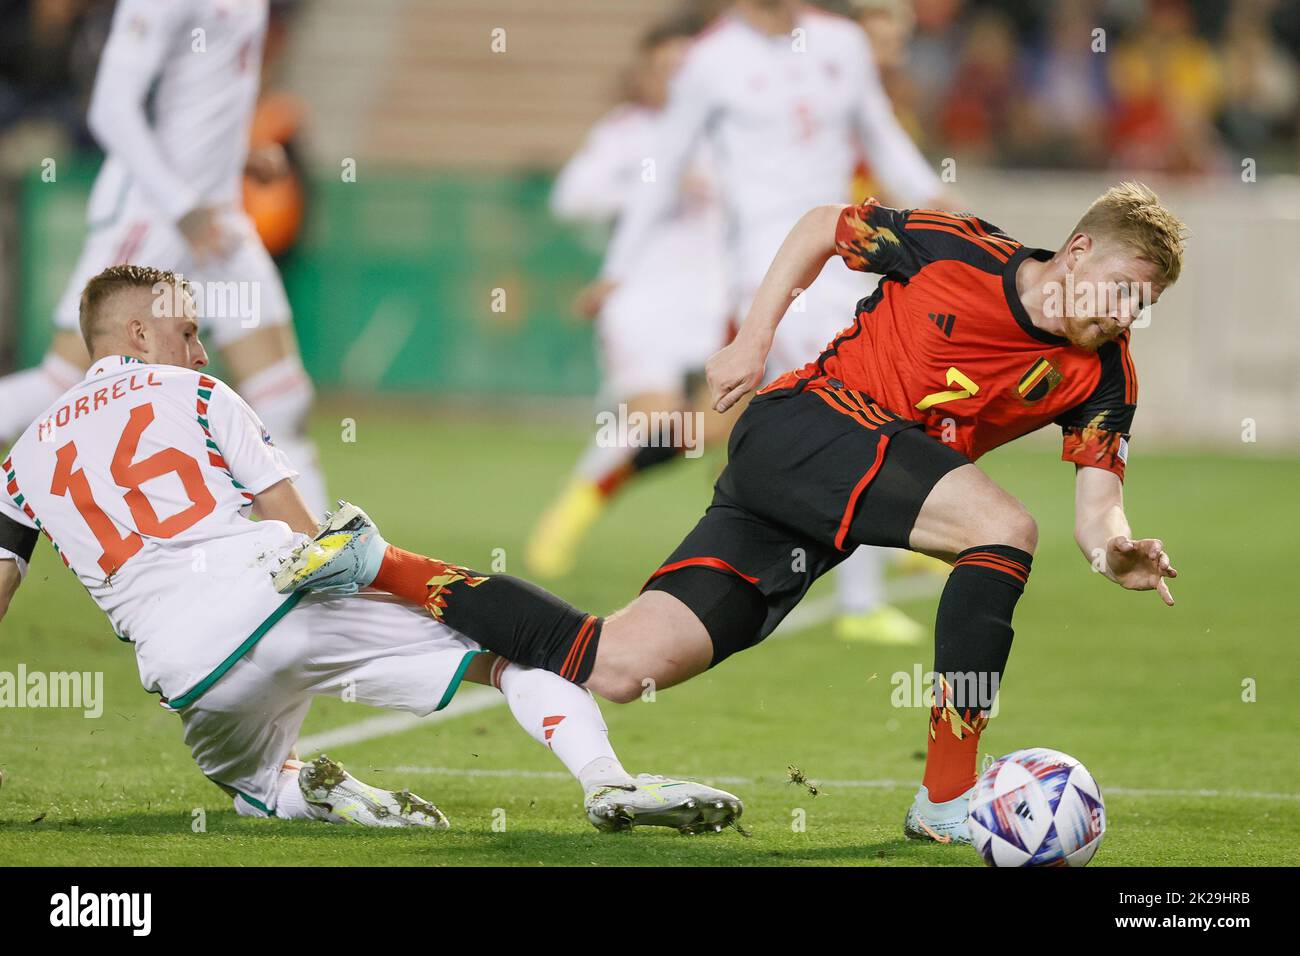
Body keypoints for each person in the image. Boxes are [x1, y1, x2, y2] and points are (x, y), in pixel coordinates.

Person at [275, 182, 1184, 846]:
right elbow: (821, 226)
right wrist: (752, 336)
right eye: (1120, 287)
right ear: (1074, 251)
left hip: (823, 506)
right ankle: (945, 796)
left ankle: (373, 561)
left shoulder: (1106, 377)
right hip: (807, 426)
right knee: (1002, 529)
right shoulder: (958, 249)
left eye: (1143, 304)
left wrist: (1113, 553)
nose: (1124, 314)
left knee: (620, 665)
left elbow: (1098, 504)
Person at [0, 265, 743, 834]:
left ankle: (331, 796)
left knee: (254, 789)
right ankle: (607, 780)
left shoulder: (21, 456)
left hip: (185, 671)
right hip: (273, 598)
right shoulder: (199, 396)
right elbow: (305, 541)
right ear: (138, 335)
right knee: (508, 652)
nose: (199, 349)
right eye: (189, 331)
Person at [581, 0, 961, 644]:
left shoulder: (841, 43)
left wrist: (935, 199)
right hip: (767, 268)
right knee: (859, 407)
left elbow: (880, 133)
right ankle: (857, 600)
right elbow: (663, 168)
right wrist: (619, 267)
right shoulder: (710, 60)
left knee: (799, 427)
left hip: (848, 255)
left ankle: (733, 567)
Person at [0, 0, 327, 514]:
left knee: (283, 401)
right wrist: (182, 207)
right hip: (152, 215)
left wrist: (236, 154)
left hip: (217, 220)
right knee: (59, 387)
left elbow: (189, 102)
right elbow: (111, 107)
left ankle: (318, 567)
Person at [525, 14, 730, 580]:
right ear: (645, 71)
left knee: (726, 427)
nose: (675, 77)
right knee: (652, 417)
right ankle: (571, 513)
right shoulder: (628, 132)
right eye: (664, 66)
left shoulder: (728, 134)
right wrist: (654, 184)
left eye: (685, 66)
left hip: (714, 305)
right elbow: (571, 198)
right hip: (640, 302)